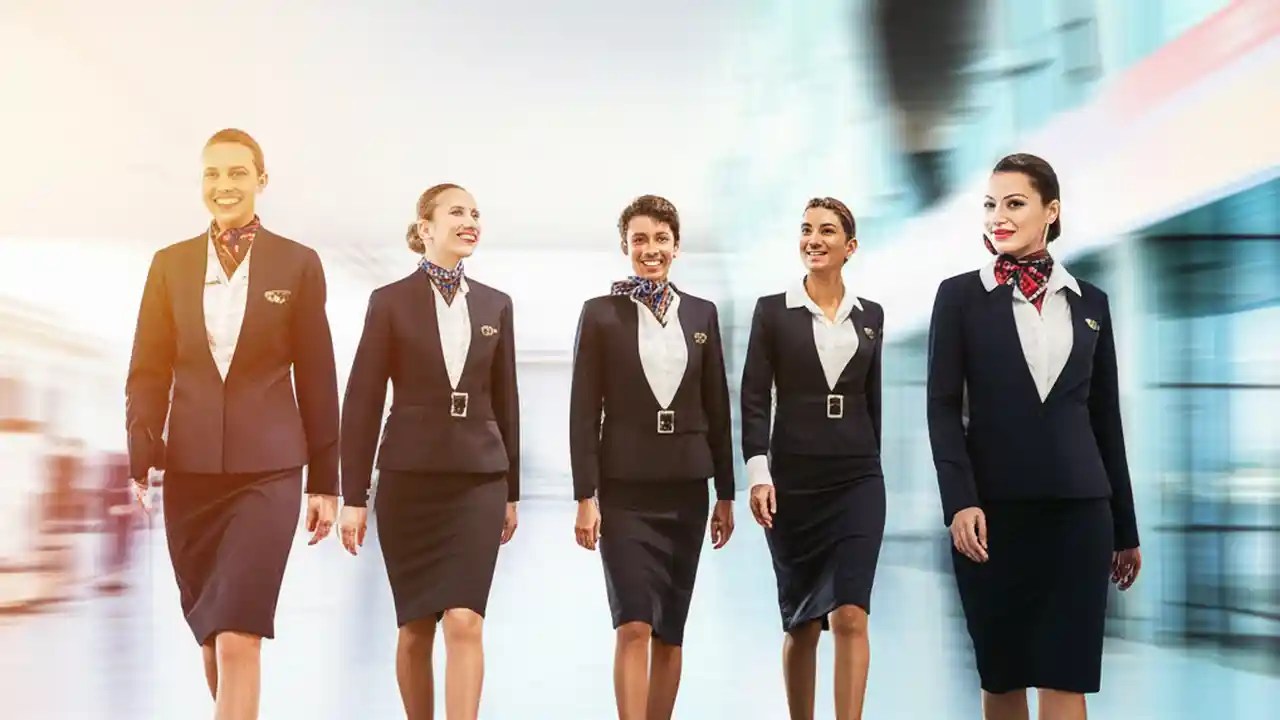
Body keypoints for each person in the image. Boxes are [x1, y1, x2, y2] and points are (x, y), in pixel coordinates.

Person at [125, 128, 340, 719]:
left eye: (237, 173)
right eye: (213, 175)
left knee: (240, 630)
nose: (224, 186)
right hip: (190, 470)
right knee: (211, 633)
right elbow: (147, 369)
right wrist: (140, 456)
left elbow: (317, 375)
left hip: (268, 471)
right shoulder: (168, 265)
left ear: (261, 181)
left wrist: (326, 478)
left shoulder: (297, 263)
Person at [926, 153, 1143, 720]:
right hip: (992, 516)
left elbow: (1104, 419)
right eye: (991, 204)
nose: (999, 216)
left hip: (1080, 515)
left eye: (1015, 203)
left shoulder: (1091, 301)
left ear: (1052, 211)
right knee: (1003, 674)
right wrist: (959, 501)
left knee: (1066, 676)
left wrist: (1126, 528)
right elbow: (942, 410)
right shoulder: (958, 297)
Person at [338, 183, 520, 720]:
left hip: (478, 480)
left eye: (476, 213)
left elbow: (506, 402)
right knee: (415, 625)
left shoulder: (495, 304)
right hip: (408, 481)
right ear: (425, 230)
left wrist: (512, 492)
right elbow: (364, 400)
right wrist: (353, 495)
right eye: (457, 212)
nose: (470, 221)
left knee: (465, 619)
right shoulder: (389, 302)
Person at [569, 194, 735, 720]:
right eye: (640, 239)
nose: (651, 249)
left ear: (676, 247)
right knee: (633, 622)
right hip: (624, 491)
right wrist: (584, 496)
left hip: (686, 488)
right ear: (626, 246)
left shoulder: (703, 314)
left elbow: (717, 405)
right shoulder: (600, 314)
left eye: (661, 239)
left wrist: (726, 492)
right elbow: (581, 411)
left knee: (670, 629)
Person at [740, 197, 885, 720]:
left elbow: (874, 401)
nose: (814, 239)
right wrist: (759, 475)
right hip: (793, 481)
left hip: (858, 478)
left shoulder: (871, 317)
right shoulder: (772, 311)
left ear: (850, 246)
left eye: (827, 231)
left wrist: (874, 464)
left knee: (851, 614)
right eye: (806, 229)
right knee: (801, 622)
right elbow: (754, 397)